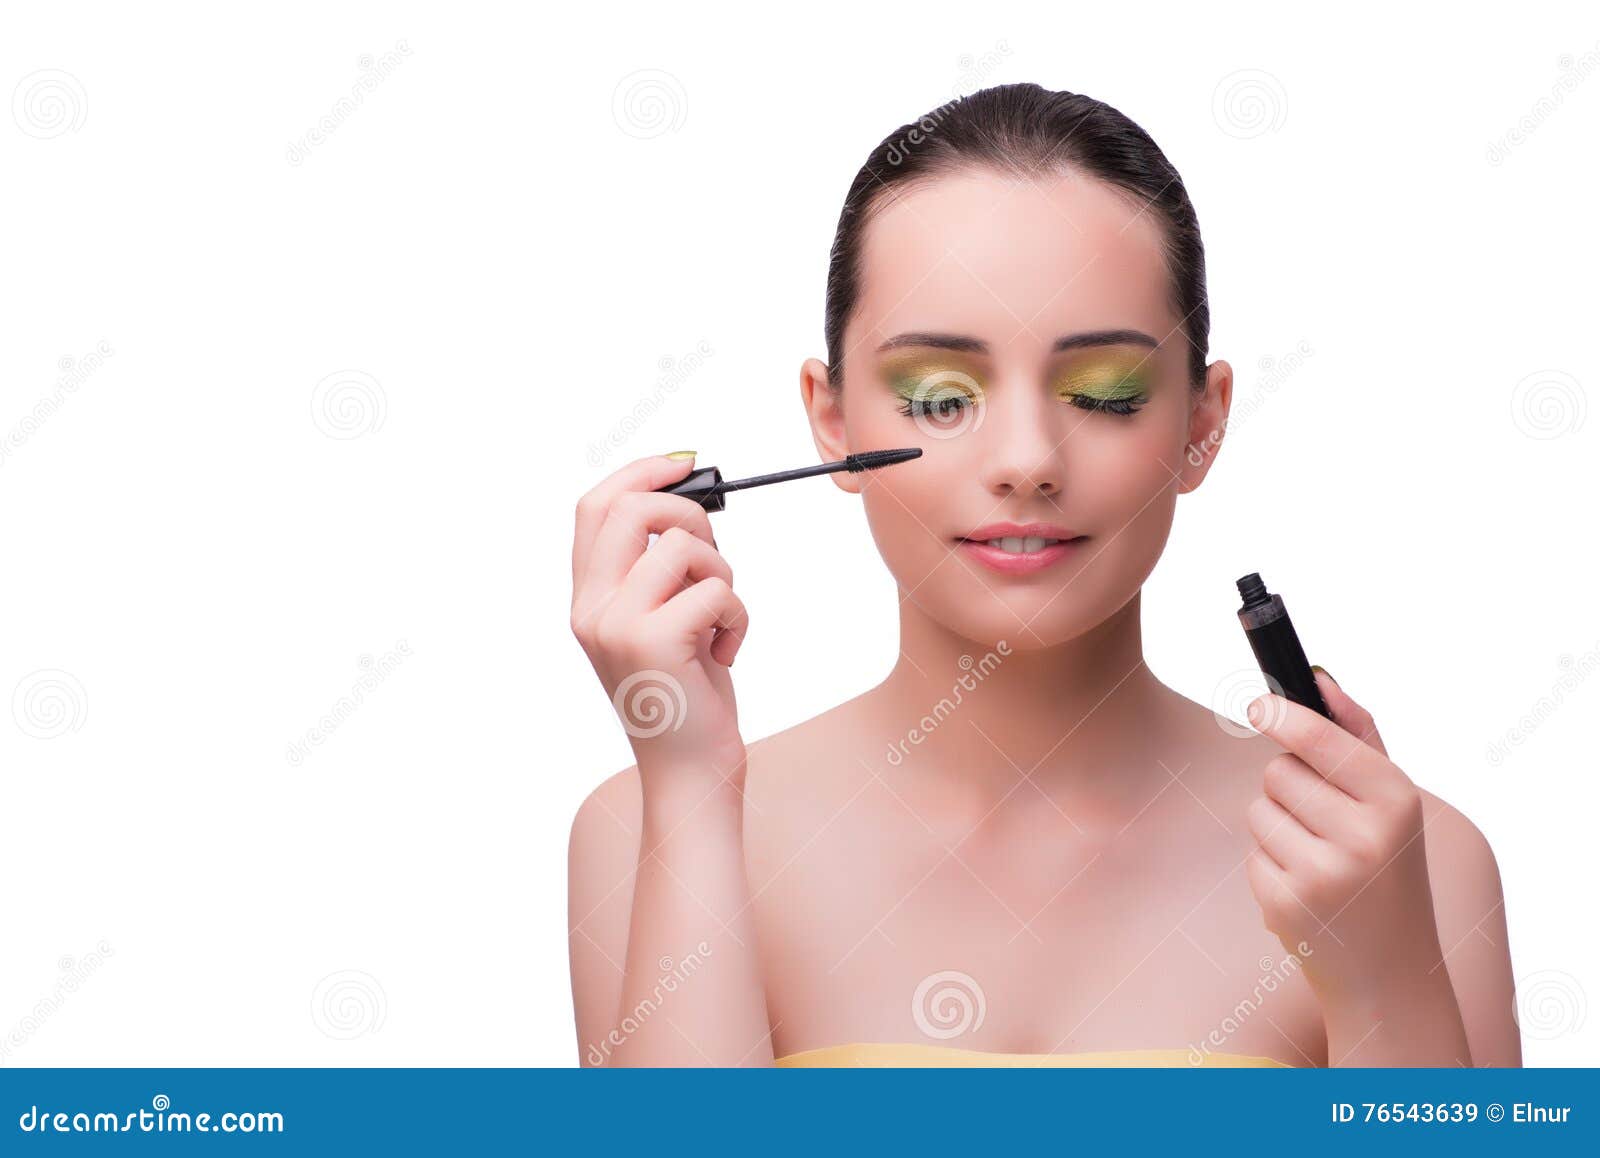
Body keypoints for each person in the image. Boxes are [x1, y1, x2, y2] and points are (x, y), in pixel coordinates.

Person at [567, 82, 1519, 1067]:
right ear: (831, 418)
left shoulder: (1413, 867)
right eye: (940, 396)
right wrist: (688, 791)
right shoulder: (648, 830)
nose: (1025, 458)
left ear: (1203, 422)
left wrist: (1387, 983)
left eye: (1102, 392)